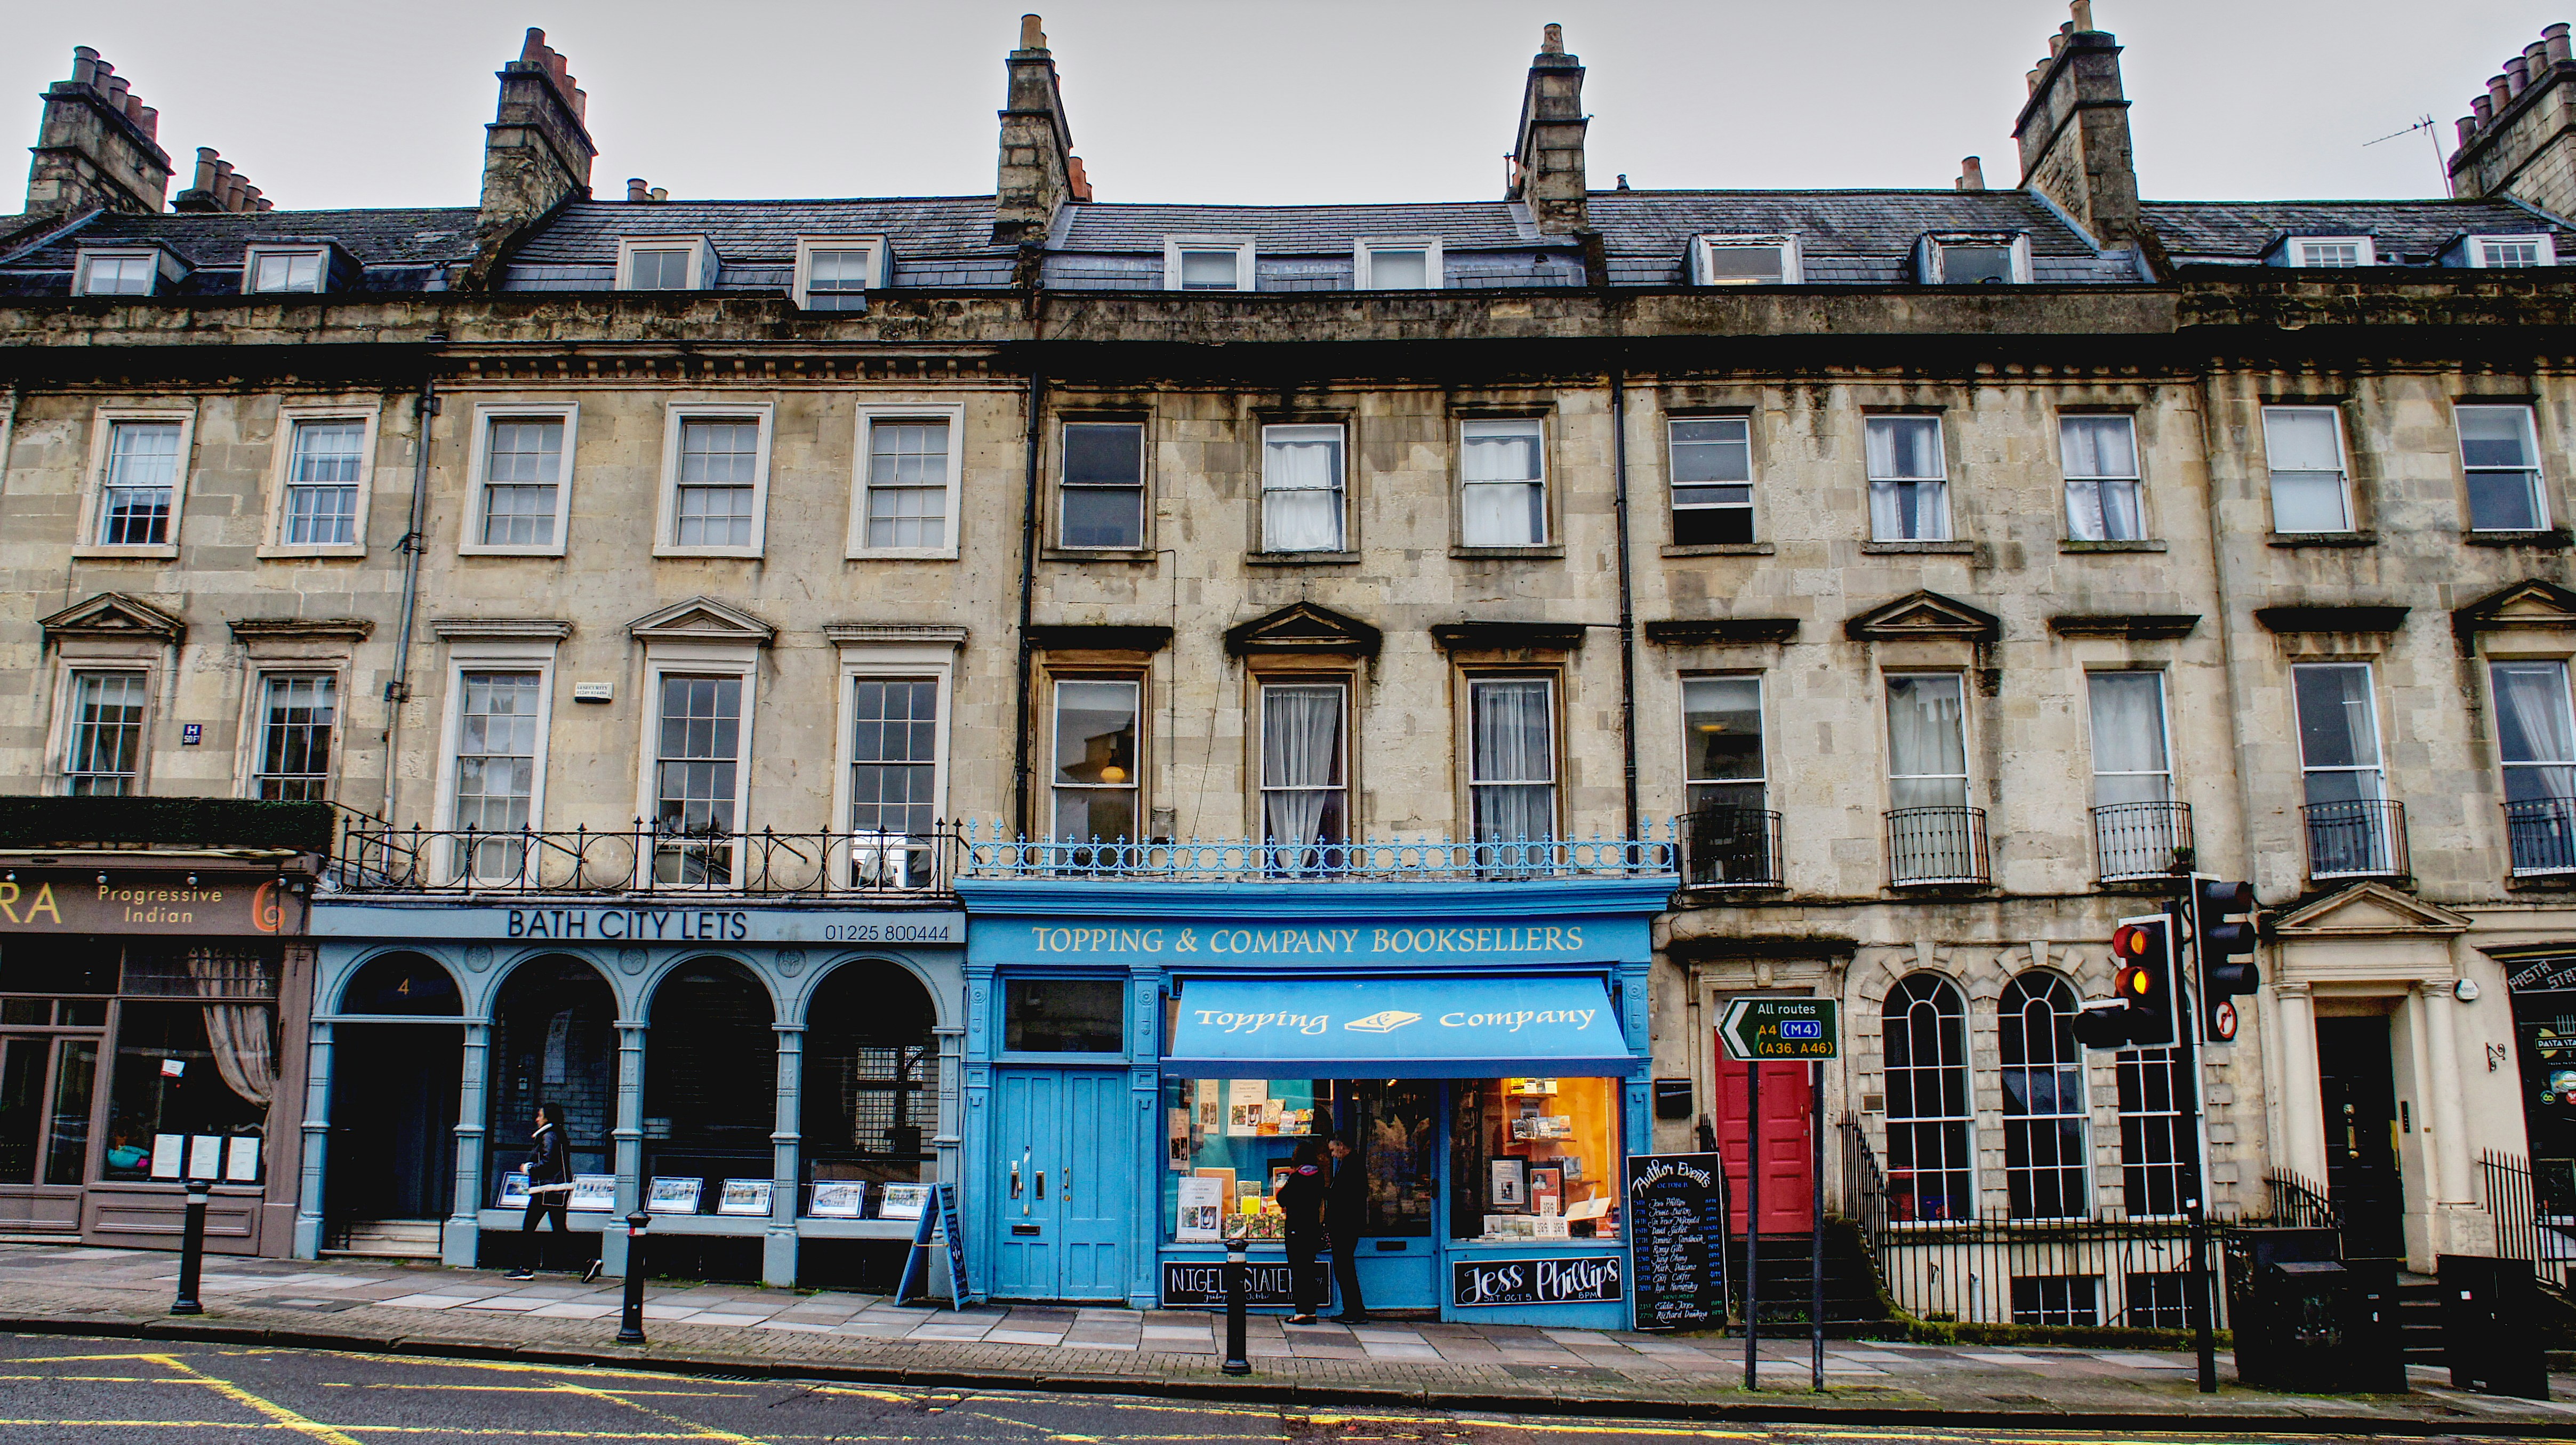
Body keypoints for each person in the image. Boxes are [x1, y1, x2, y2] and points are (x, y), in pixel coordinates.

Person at [503, 1105, 598, 1282]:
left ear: (548, 1118)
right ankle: (588, 1261)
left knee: (530, 1228)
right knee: (559, 1231)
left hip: (548, 1190)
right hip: (555, 1190)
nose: (537, 1119)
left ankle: (526, 1268)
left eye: (540, 1116)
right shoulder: (556, 1134)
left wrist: (528, 1168)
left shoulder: (548, 1136)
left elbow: (549, 1163)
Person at [1274, 1136, 1329, 1324]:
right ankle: (1310, 1310)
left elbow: (1281, 1198)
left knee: (1299, 1272)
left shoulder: (1297, 1178)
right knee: (1309, 1269)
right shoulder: (1319, 1175)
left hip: (1296, 1229)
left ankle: (1302, 1312)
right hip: (1312, 1227)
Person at [1325, 1133, 1369, 1323]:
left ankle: (1354, 1311)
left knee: (1344, 1269)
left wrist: (1324, 1192)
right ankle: (1353, 1309)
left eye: (1333, 1150)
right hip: (1346, 1224)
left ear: (1341, 1146)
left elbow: (1343, 1196)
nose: (1333, 1155)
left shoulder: (1352, 1165)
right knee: (1345, 1268)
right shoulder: (1351, 1164)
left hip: (1345, 1225)